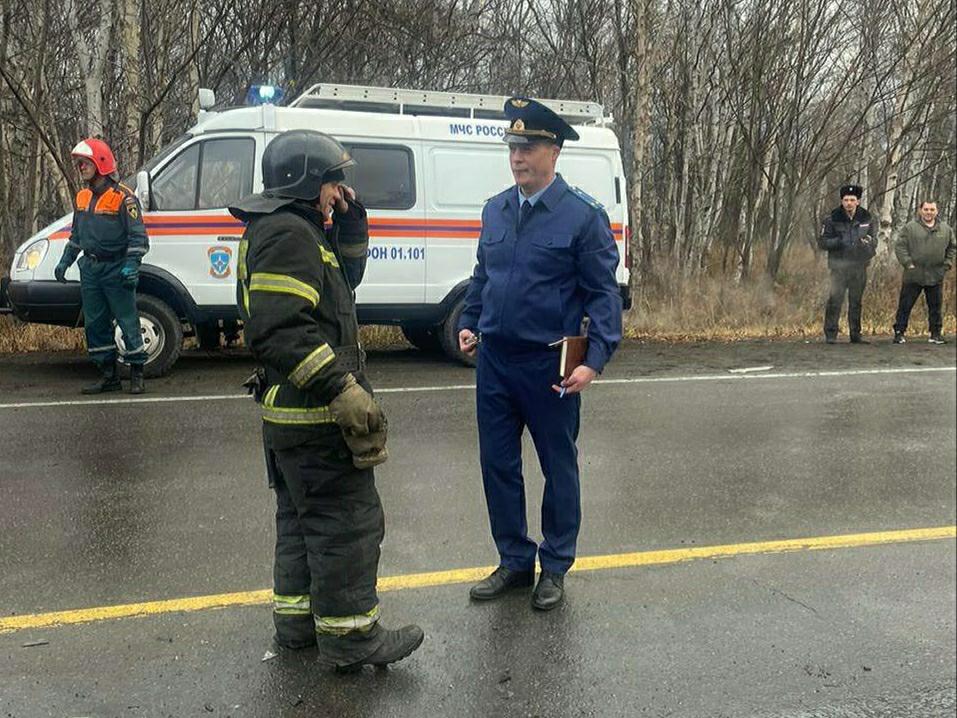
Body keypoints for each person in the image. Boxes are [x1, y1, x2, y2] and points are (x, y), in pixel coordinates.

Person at [229, 129, 423, 671]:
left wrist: (354, 224)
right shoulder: (289, 236)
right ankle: (353, 637)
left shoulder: (298, 232)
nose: (341, 190)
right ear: (311, 181)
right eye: (335, 180)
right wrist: (341, 387)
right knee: (346, 526)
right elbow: (280, 330)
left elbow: (344, 282)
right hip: (314, 419)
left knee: (301, 524)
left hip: (291, 420)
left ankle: (297, 627)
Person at [458, 97, 622, 611]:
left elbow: (603, 296)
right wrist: (468, 321)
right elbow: (483, 276)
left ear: (554, 151)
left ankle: (554, 565)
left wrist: (593, 360)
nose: (517, 157)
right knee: (498, 466)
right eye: (513, 147)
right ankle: (513, 560)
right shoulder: (495, 209)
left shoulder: (583, 217)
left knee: (558, 466)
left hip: (550, 365)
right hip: (496, 363)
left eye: (527, 147)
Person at [54, 138, 149, 393]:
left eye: (85, 163)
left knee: (127, 321)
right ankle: (109, 376)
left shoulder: (124, 198)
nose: (81, 168)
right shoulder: (82, 197)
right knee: (95, 323)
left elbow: (138, 237)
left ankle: (137, 373)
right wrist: (65, 261)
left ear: (101, 162)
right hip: (91, 270)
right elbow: (77, 235)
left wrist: (131, 265)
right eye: (79, 164)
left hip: (116, 269)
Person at [818, 184, 877, 344]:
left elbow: (874, 241)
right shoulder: (831, 219)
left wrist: (867, 245)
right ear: (841, 201)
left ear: (858, 201)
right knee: (835, 300)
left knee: (856, 301)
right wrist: (840, 242)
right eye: (846, 200)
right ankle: (831, 334)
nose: (849, 203)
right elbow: (823, 242)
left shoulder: (867, 218)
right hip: (839, 267)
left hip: (859, 267)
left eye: (852, 200)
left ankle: (855, 334)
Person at [892, 200, 956, 344]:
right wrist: (908, 263)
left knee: (935, 306)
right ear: (920, 211)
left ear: (937, 211)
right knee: (905, 305)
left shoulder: (945, 229)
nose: (929, 212)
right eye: (926, 209)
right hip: (913, 274)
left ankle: (935, 334)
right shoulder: (910, 228)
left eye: (932, 209)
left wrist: (947, 264)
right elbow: (900, 247)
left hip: (935, 274)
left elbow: (952, 247)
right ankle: (899, 333)